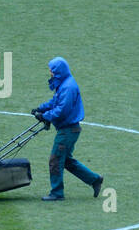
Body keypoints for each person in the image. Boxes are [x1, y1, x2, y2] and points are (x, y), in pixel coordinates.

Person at [32, 57, 104, 202]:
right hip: (69, 130)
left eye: (51, 70)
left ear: (58, 71)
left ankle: (57, 193)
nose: (50, 73)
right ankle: (94, 179)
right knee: (65, 160)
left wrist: (45, 116)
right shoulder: (64, 83)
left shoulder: (68, 87)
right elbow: (55, 101)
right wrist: (41, 108)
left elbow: (62, 110)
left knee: (55, 159)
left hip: (68, 131)